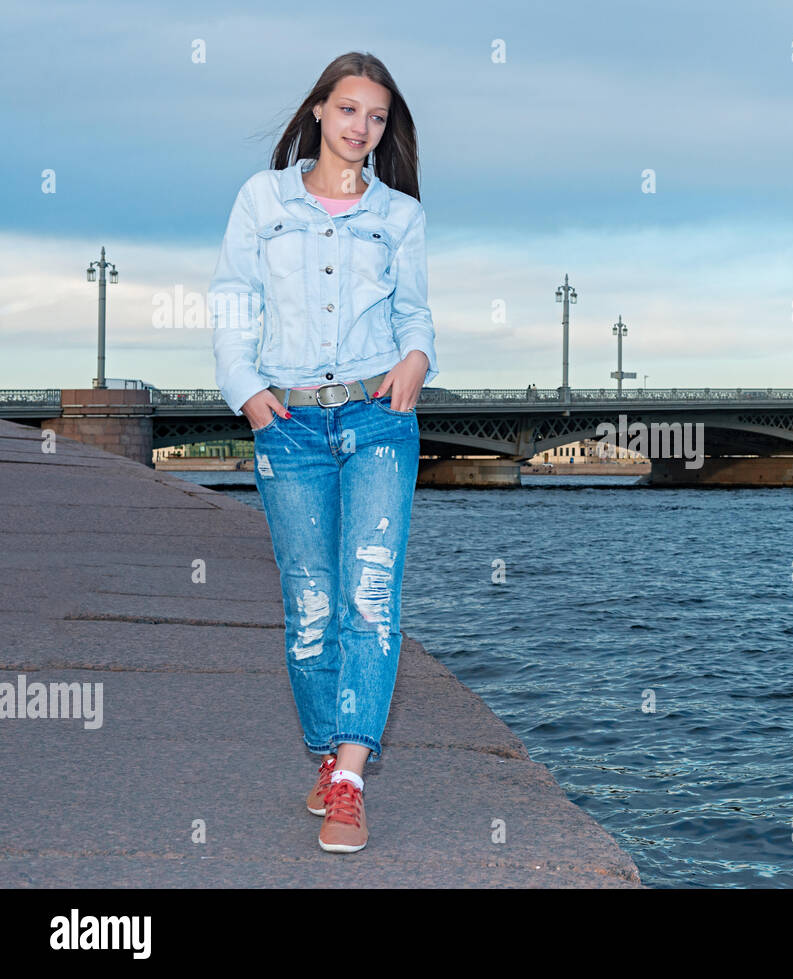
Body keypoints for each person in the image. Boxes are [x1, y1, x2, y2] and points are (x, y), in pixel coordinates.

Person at [208, 52, 438, 853]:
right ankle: (324, 750)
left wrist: (416, 358)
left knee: (369, 598)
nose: (361, 129)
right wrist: (245, 390)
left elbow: (414, 311)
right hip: (291, 424)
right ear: (317, 111)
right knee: (310, 607)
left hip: (379, 419)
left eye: (376, 117)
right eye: (348, 110)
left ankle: (348, 775)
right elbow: (235, 298)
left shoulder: (398, 214)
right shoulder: (262, 201)